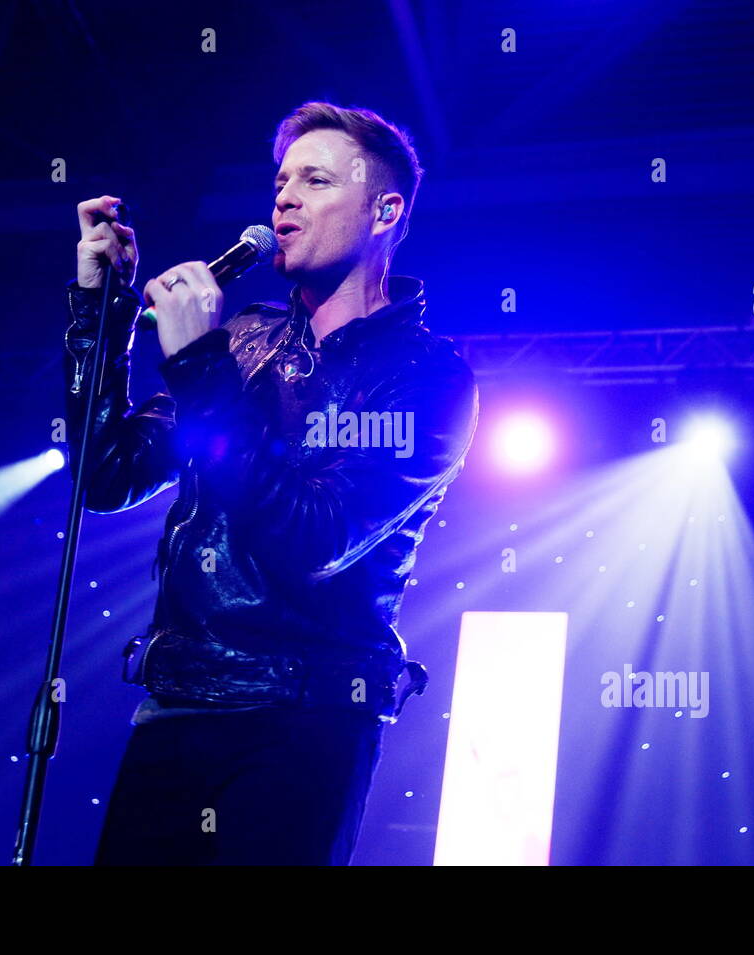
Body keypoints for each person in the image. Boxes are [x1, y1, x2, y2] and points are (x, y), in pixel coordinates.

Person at [65, 101, 478, 865]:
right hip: (175, 704)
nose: (283, 197)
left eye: (315, 180)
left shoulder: (426, 377)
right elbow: (109, 472)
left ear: (384, 208)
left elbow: (313, 538)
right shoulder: (243, 338)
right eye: (280, 179)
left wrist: (197, 369)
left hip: (303, 716)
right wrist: (102, 313)